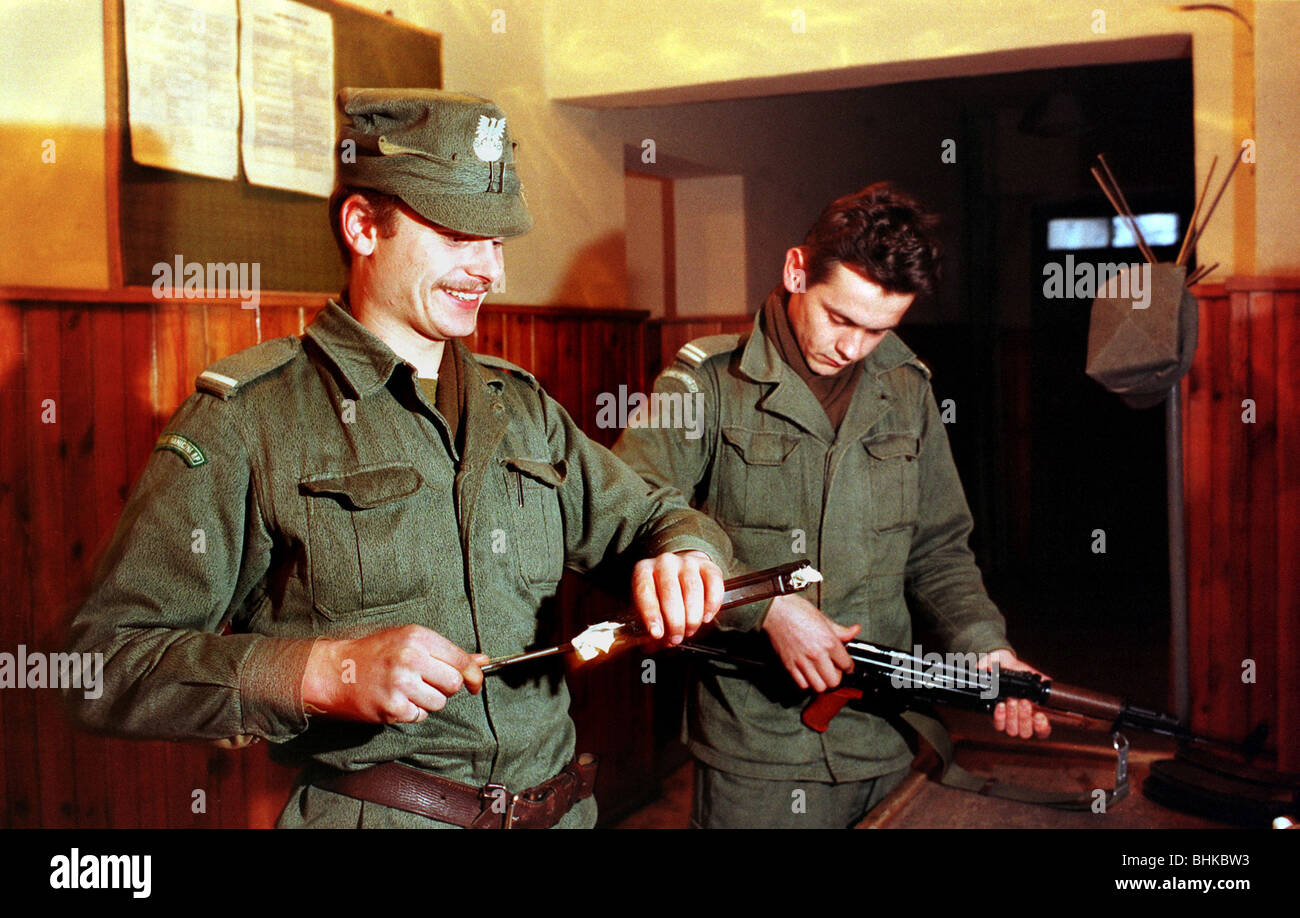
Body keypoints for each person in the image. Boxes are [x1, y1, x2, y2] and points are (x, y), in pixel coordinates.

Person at [64, 88, 731, 829]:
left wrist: (685, 553)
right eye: (458, 236)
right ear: (362, 227)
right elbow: (103, 667)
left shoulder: (521, 408)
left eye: (498, 242)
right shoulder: (249, 419)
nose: (492, 273)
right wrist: (322, 671)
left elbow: (653, 514)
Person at [612, 183, 1049, 829]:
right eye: (840, 319)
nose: (853, 348)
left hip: (884, 734)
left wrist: (985, 647)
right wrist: (766, 606)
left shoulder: (906, 388)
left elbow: (938, 551)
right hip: (758, 748)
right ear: (796, 271)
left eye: (879, 330)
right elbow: (629, 515)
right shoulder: (704, 382)